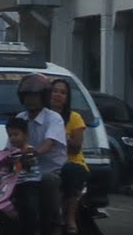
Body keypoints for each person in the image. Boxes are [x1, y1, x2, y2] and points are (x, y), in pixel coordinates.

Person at [15, 73, 67, 235]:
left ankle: (54, 223)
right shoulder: (20, 118)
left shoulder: (54, 118)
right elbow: (11, 145)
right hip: (26, 171)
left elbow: (49, 143)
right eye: (27, 96)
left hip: (51, 171)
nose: (31, 100)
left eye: (35, 96)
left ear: (43, 97)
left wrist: (33, 153)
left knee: (48, 180)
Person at [48, 79, 87, 235]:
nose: (58, 95)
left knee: (71, 172)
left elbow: (76, 148)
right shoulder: (41, 116)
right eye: (55, 91)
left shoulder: (75, 117)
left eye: (63, 92)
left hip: (71, 163)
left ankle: (70, 218)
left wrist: (60, 133)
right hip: (46, 162)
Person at [5, 115, 43, 233]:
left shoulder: (29, 150)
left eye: (16, 134)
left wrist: (23, 159)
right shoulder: (9, 152)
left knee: (29, 206)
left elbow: (27, 162)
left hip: (29, 183)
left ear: (25, 135)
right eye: (10, 135)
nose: (13, 138)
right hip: (14, 184)